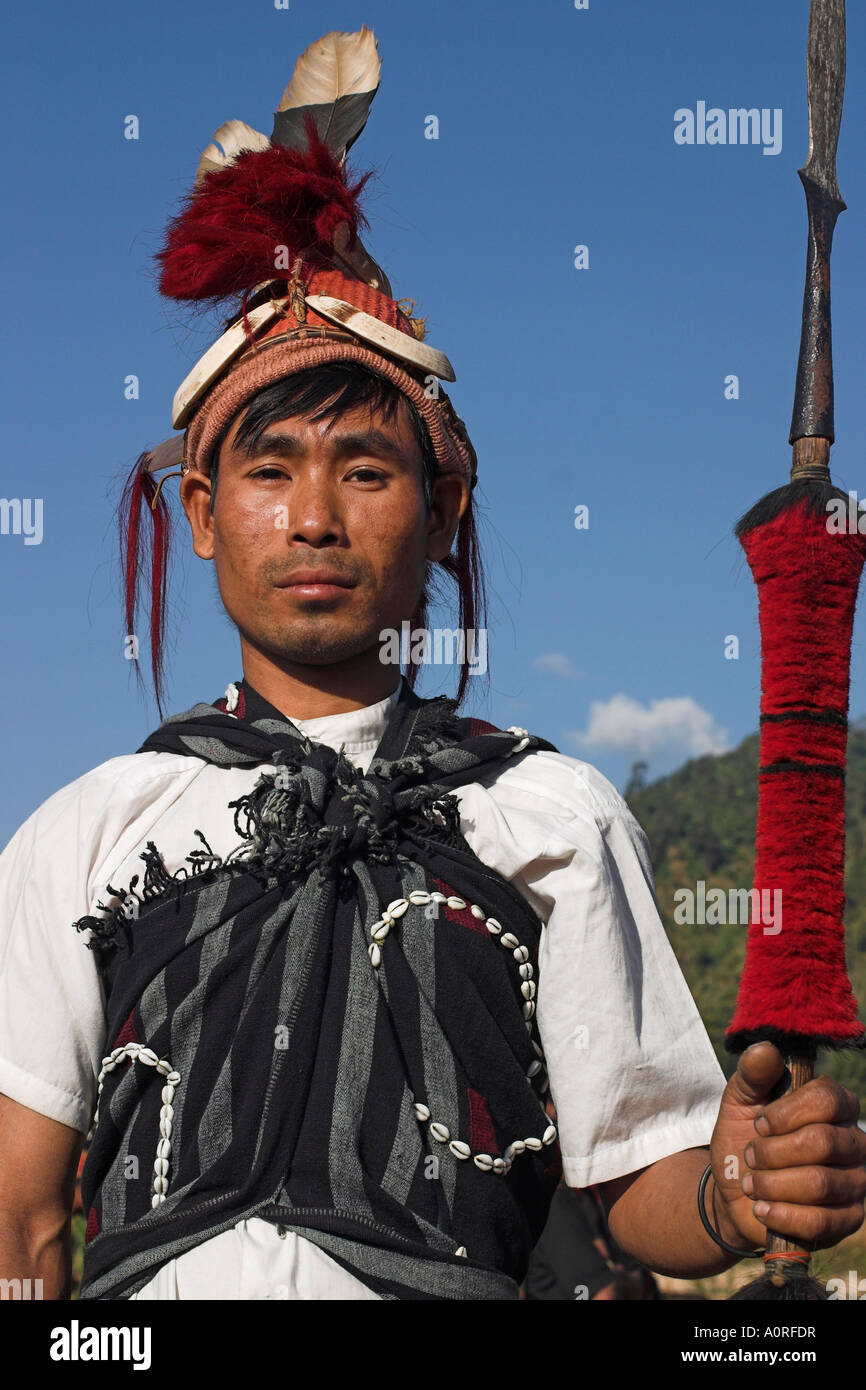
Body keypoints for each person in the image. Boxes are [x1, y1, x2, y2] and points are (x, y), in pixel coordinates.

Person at [1, 28, 863, 1302]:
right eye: (267, 469)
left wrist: (739, 1188)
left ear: (441, 504)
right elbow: (22, 1229)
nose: (312, 517)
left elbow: (637, 1189)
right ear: (199, 510)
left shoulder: (548, 815)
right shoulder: (87, 835)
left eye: (364, 467)